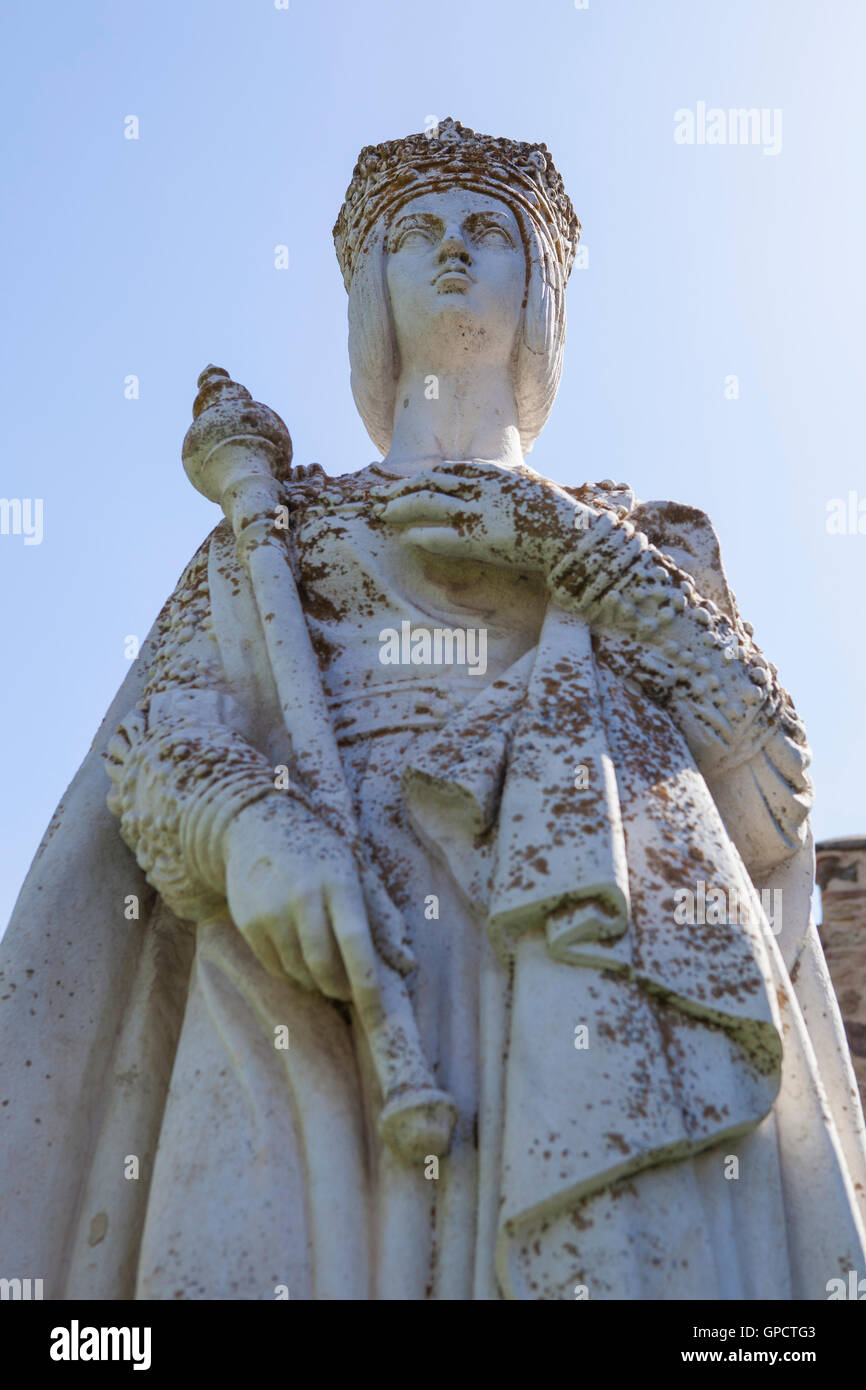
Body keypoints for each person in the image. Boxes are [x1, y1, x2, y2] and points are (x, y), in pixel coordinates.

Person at [2, 119, 865, 1301]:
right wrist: (246, 828)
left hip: (585, 951)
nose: (453, 248)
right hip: (308, 949)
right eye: (417, 231)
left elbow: (768, 796)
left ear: (539, 284)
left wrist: (576, 555)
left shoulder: (640, 543)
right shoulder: (278, 535)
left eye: (486, 230)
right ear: (373, 284)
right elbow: (161, 741)